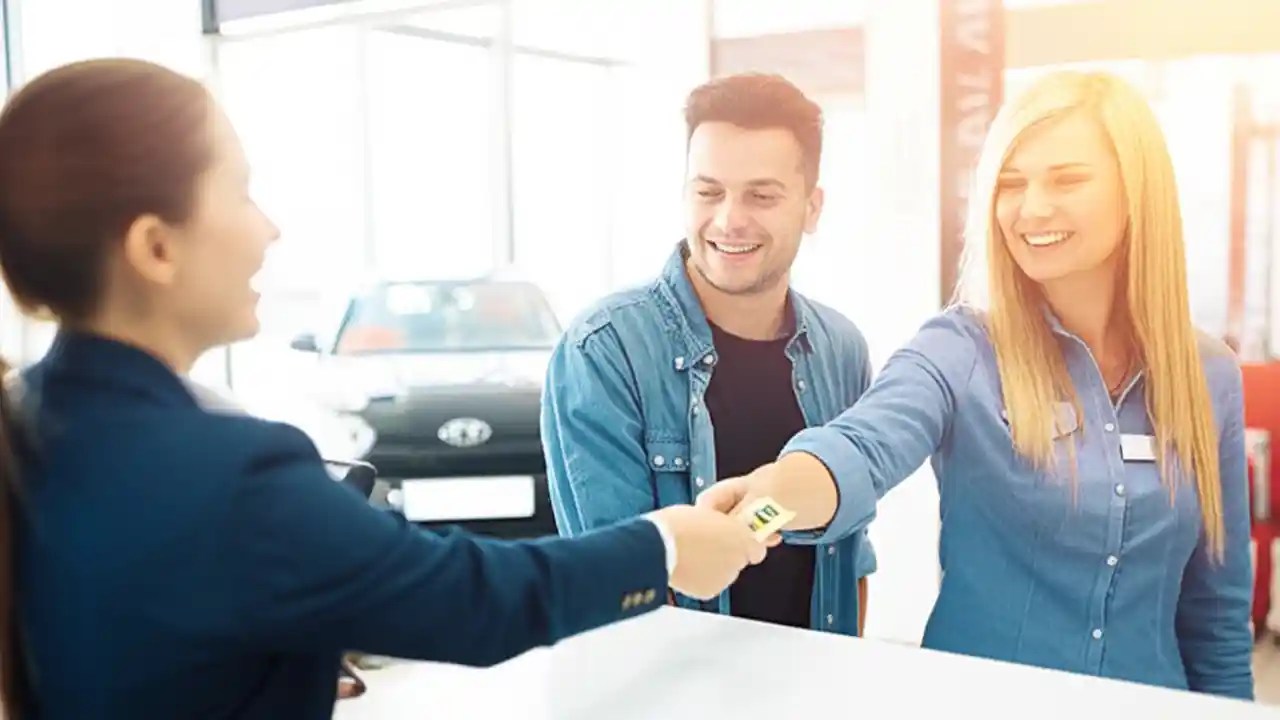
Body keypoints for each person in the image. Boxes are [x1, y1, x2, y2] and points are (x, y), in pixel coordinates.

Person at [0, 58, 771, 719]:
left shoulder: (32, 423)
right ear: (155, 248)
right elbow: (478, 602)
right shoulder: (227, 476)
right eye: (239, 192)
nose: (268, 229)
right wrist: (667, 546)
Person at [698, 70, 1255, 698]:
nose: (1031, 208)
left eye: (1067, 179)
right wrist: (760, 509)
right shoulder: (962, 349)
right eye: (1010, 184)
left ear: (1137, 191)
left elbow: (1216, 619)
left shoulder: (1208, 376)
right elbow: (861, 446)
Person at [541, 73, 876, 636]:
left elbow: (851, 558)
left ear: (811, 208)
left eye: (762, 196)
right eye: (708, 192)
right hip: (671, 680)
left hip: (816, 675)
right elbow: (612, 585)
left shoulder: (841, 350)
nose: (729, 220)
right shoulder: (604, 350)